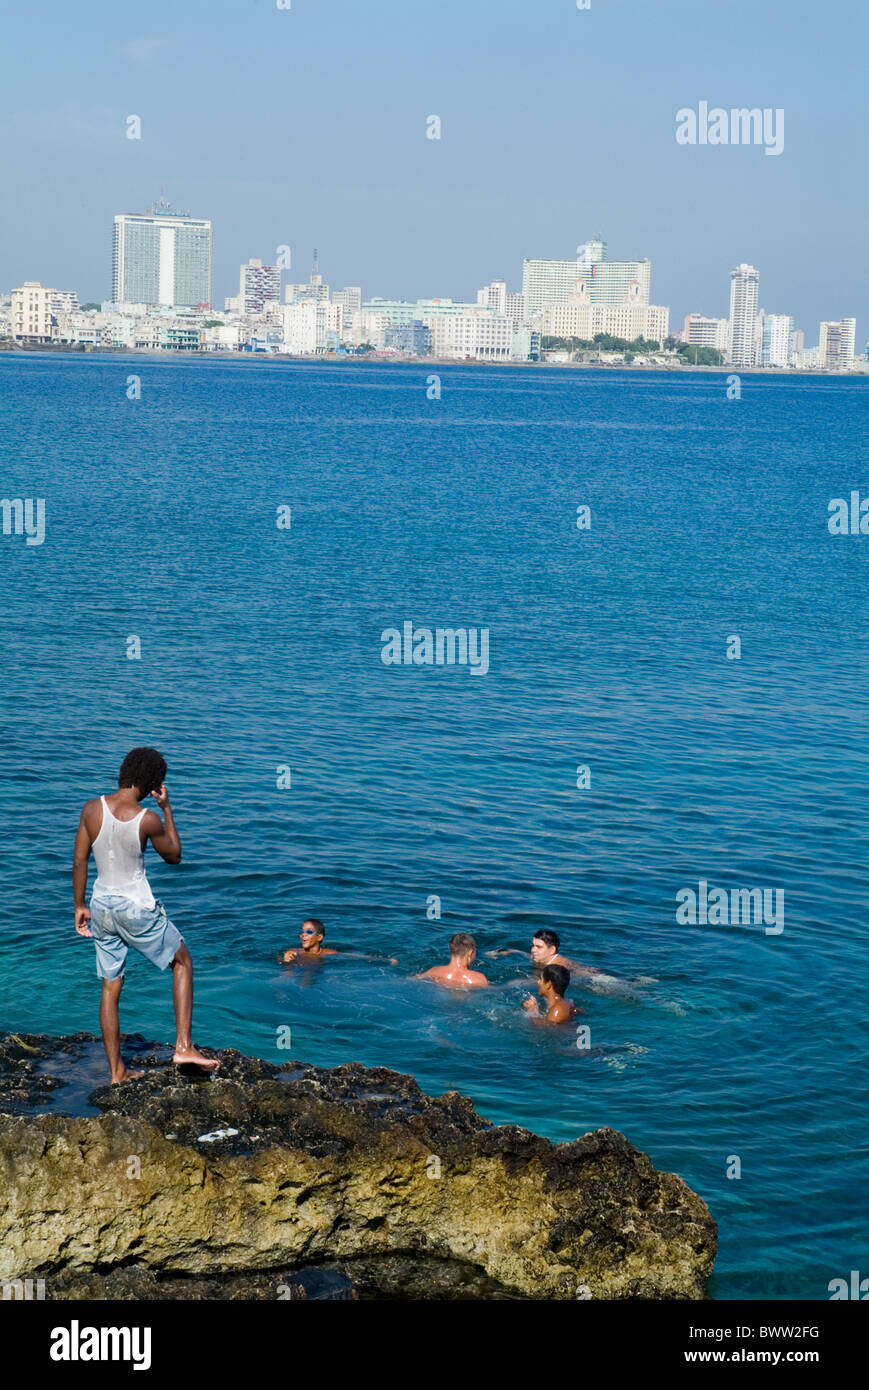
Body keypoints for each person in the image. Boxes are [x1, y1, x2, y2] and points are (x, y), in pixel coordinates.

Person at [73, 747, 219, 1083]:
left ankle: (116, 1072)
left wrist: (79, 905)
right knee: (182, 961)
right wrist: (167, 809)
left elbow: (80, 861)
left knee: (110, 988)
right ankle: (183, 1046)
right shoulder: (147, 818)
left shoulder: (92, 809)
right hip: (135, 908)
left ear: (125, 772)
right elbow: (175, 856)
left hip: (101, 908)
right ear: (152, 781)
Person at [415, 933, 488, 989]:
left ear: (451, 950)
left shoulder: (433, 971)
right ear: (470, 953)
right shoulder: (479, 979)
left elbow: (414, 979)